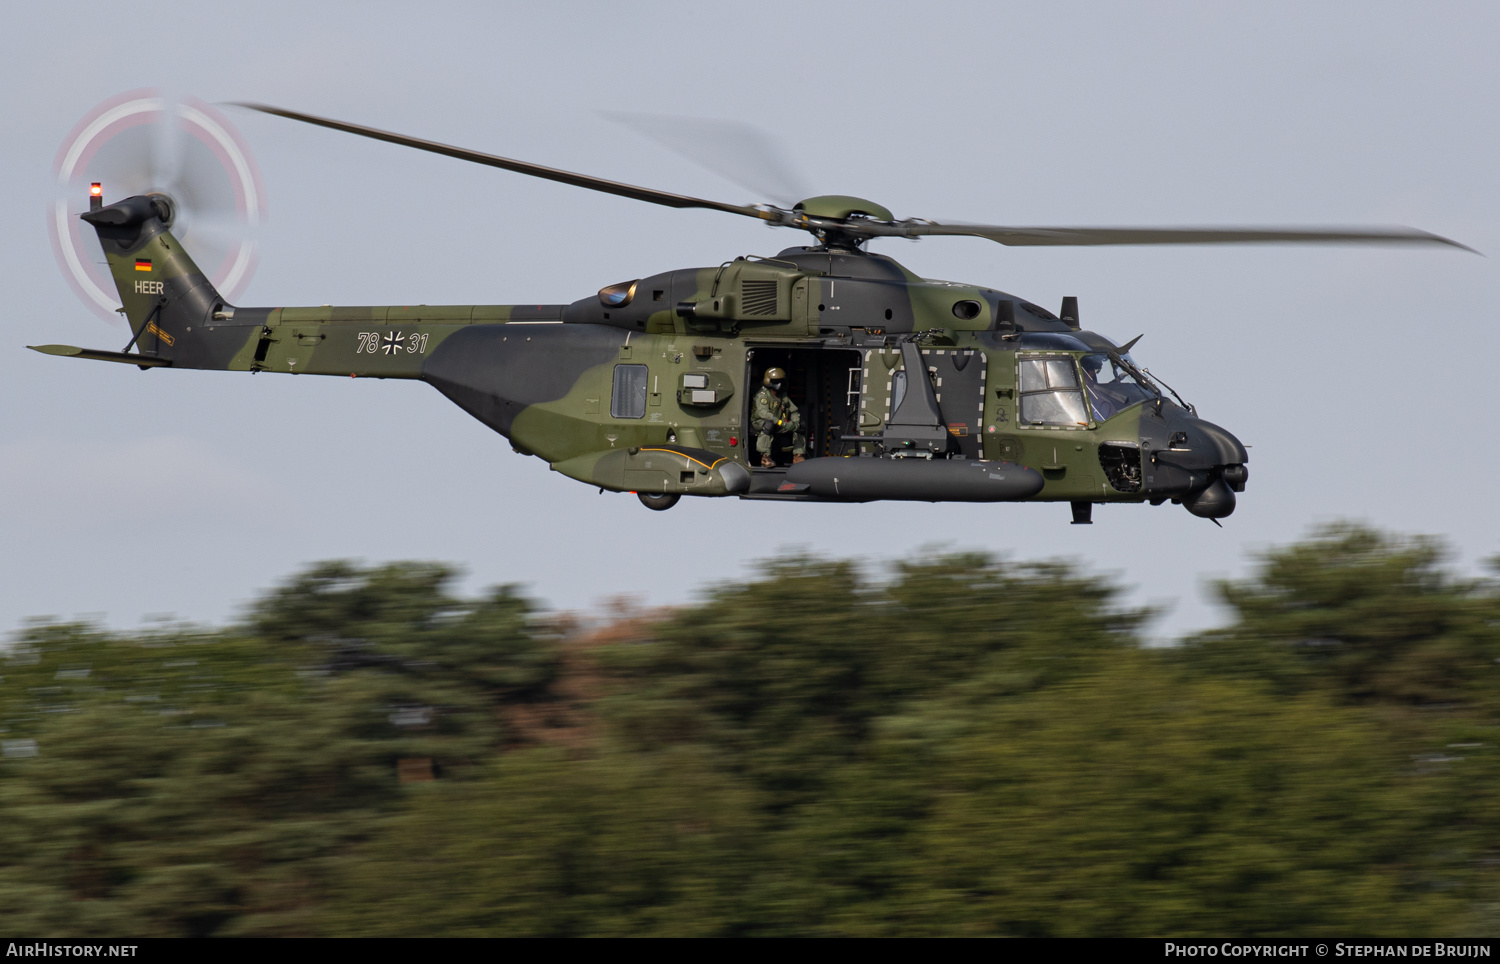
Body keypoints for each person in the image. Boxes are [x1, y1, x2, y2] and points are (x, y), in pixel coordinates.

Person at [752, 367, 806, 468]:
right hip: (760, 422)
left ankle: (798, 455)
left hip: (780, 423)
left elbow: (793, 410)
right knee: (768, 425)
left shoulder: (783, 396)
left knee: (800, 425)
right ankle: (765, 457)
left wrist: (794, 423)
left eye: (781, 381)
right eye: (776, 381)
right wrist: (782, 423)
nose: (779, 384)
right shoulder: (762, 395)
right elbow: (763, 413)